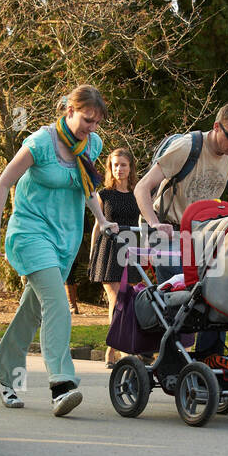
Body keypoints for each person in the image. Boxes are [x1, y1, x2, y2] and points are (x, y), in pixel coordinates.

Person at [0, 85, 117, 416]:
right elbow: (4, 182)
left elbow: (86, 187)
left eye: (97, 122)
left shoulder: (91, 145)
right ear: (69, 111)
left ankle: (5, 376)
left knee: (33, 310)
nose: (92, 127)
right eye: (87, 119)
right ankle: (62, 383)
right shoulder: (40, 143)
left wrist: (102, 219)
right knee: (58, 301)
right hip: (30, 234)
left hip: (64, 240)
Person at [132, 102, 228, 368]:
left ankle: (209, 359)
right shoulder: (187, 147)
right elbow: (142, 187)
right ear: (217, 127)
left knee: (217, 289)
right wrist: (153, 224)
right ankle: (172, 360)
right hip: (166, 229)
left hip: (201, 233)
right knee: (183, 293)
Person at [88, 147, 140, 365]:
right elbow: (97, 227)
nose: (119, 169)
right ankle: (122, 349)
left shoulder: (139, 193)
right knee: (116, 300)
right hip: (108, 251)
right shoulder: (104, 194)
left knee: (128, 302)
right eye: (115, 165)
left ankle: (113, 349)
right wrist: (93, 254)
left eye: (123, 165)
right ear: (110, 168)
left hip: (131, 250)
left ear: (130, 168)